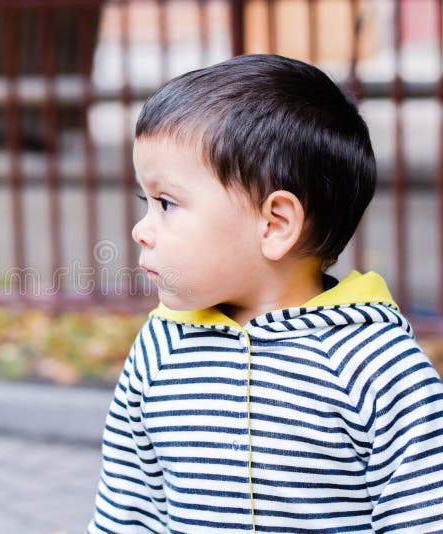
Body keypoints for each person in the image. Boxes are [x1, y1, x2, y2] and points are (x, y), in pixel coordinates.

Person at [87, 54, 443, 533]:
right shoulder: (160, 350)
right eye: (145, 202)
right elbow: (128, 513)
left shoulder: (377, 367)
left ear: (275, 224)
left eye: (166, 203)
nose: (140, 230)